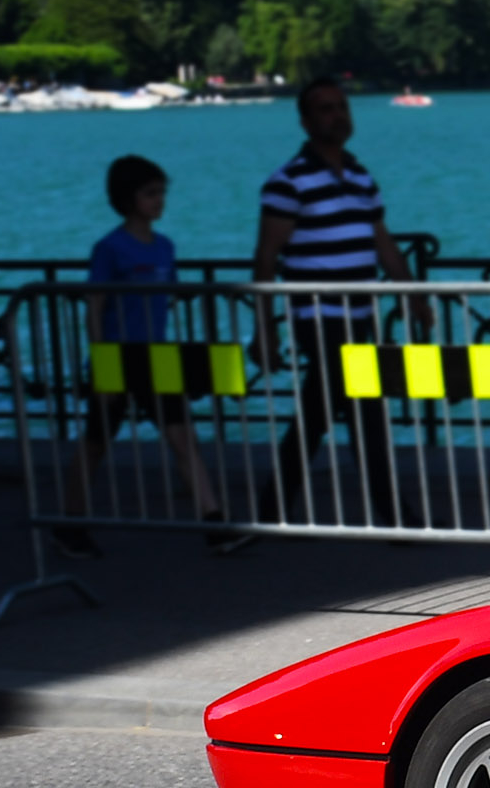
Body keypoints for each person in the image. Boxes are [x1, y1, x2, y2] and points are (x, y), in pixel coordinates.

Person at [253, 78, 427, 526]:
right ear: (307, 121)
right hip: (318, 315)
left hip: (360, 313)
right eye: (326, 109)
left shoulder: (361, 177)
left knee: (319, 414)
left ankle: (271, 509)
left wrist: (411, 294)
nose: (338, 116)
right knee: (360, 410)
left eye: (342, 107)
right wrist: (265, 325)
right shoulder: (288, 182)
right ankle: (395, 517)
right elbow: (267, 256)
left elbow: (382, 243)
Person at [55, 155, 244, 557]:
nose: (159, 200)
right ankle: (69, 522)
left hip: (157, 358)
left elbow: (169, 298)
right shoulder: (109, 248)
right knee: (95, 443)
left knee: (182, 436)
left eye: (161, 192)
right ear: (128, 198)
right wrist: (101, 363)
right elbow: (95, 306)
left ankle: (214, 523)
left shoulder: (165, 247)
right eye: (150, 193)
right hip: (119, 358)